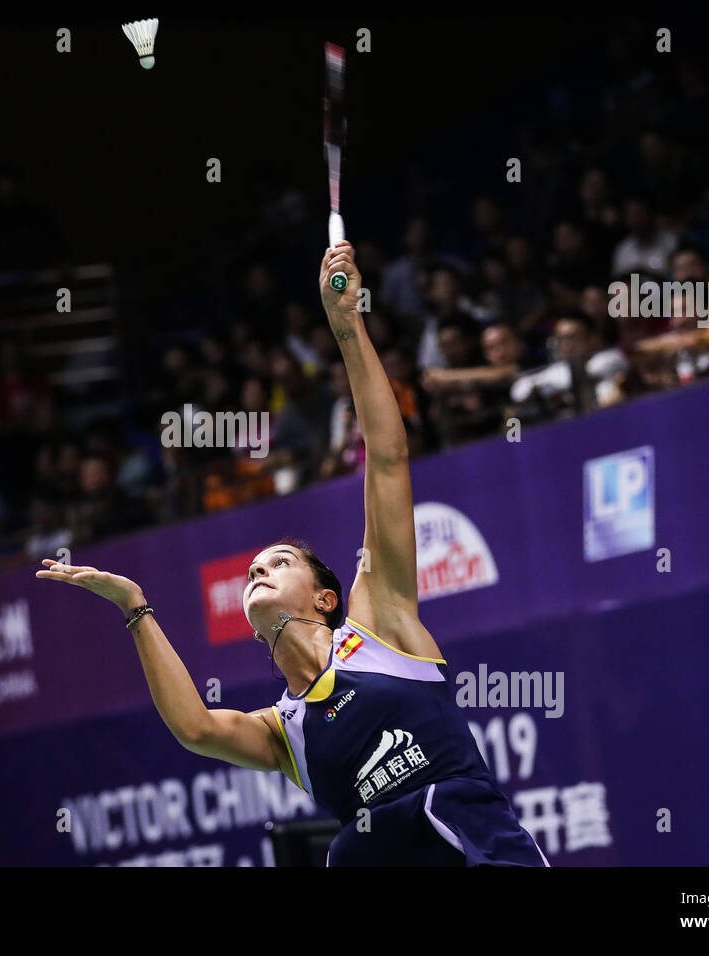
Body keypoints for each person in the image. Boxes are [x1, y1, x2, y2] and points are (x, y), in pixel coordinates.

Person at [36, 241, 548, 867]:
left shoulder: (381, 623)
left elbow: (386, 461)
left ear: (326, 597)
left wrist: (348, 327)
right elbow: (195, 728)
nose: (256, 569)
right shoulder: (286, 733)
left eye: (277, 562)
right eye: (258, 567)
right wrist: (135, 607)